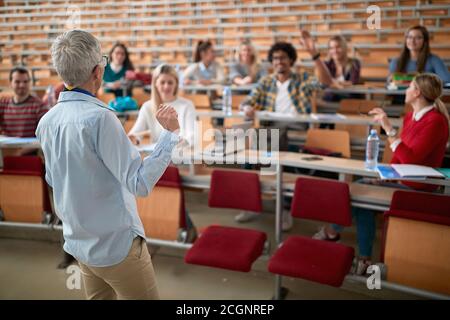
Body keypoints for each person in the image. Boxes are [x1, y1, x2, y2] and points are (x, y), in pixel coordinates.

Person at [36, 30, 180, 300]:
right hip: (117, 247)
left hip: (80, 243)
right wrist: (169, 136)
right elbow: (139, 183)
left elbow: (55, 181)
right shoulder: (101, 118)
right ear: (97, 72)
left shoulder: (47, 121)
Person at [314, 73, 449, 275]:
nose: (406, 91)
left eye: (409, 87)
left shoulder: (435, 121)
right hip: (401, 178)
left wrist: (388, 128)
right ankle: (364, 257)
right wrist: (385, 174)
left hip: (419, 185)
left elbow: (411, 159)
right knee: (361, 193)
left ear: (418, 92)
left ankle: (334, 233)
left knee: (359, 194)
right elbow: (401, 156)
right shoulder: (411, 116)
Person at [237, 31, 333, 230]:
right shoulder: (266, 82)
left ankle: (286, 208)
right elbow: (248, 101)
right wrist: (246, 107)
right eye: (275, 58)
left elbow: (326, 83)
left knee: (278, 147)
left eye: (283, 57)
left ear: (291, 60)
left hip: (296, 129)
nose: (279, 61)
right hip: (272, 129)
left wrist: (315, 55)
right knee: (247, 151)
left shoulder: (302, 78)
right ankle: (250, 203)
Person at [128, 64, 196, 147]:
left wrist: (181, 142)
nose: (166, 86)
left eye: (170, 82)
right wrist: (134, 140)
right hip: (156, 156)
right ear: (155, 84)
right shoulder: (147, 106)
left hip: (181, 154)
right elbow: (135, 133)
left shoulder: (187, 105)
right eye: (162, 82)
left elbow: (191, 137)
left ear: (176, 84)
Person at [0, 66, 48, 137]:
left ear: (30, 83)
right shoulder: (2, 104)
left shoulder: (39, 106)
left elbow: (44, 136)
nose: (22, 85)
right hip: (6, 148)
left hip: (32, 147)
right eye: (17, 82)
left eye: (25, 81)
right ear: (10, 83)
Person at [322, 35, 362, 102]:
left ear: (344, 48)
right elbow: (323, 82)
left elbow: (353, 82)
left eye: (338, 47)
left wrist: (333, 83)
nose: (335, 51)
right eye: (331, 48)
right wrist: (340, 84)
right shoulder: (327, 64)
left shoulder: (355, 63)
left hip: (350, 100)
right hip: (331, 100)